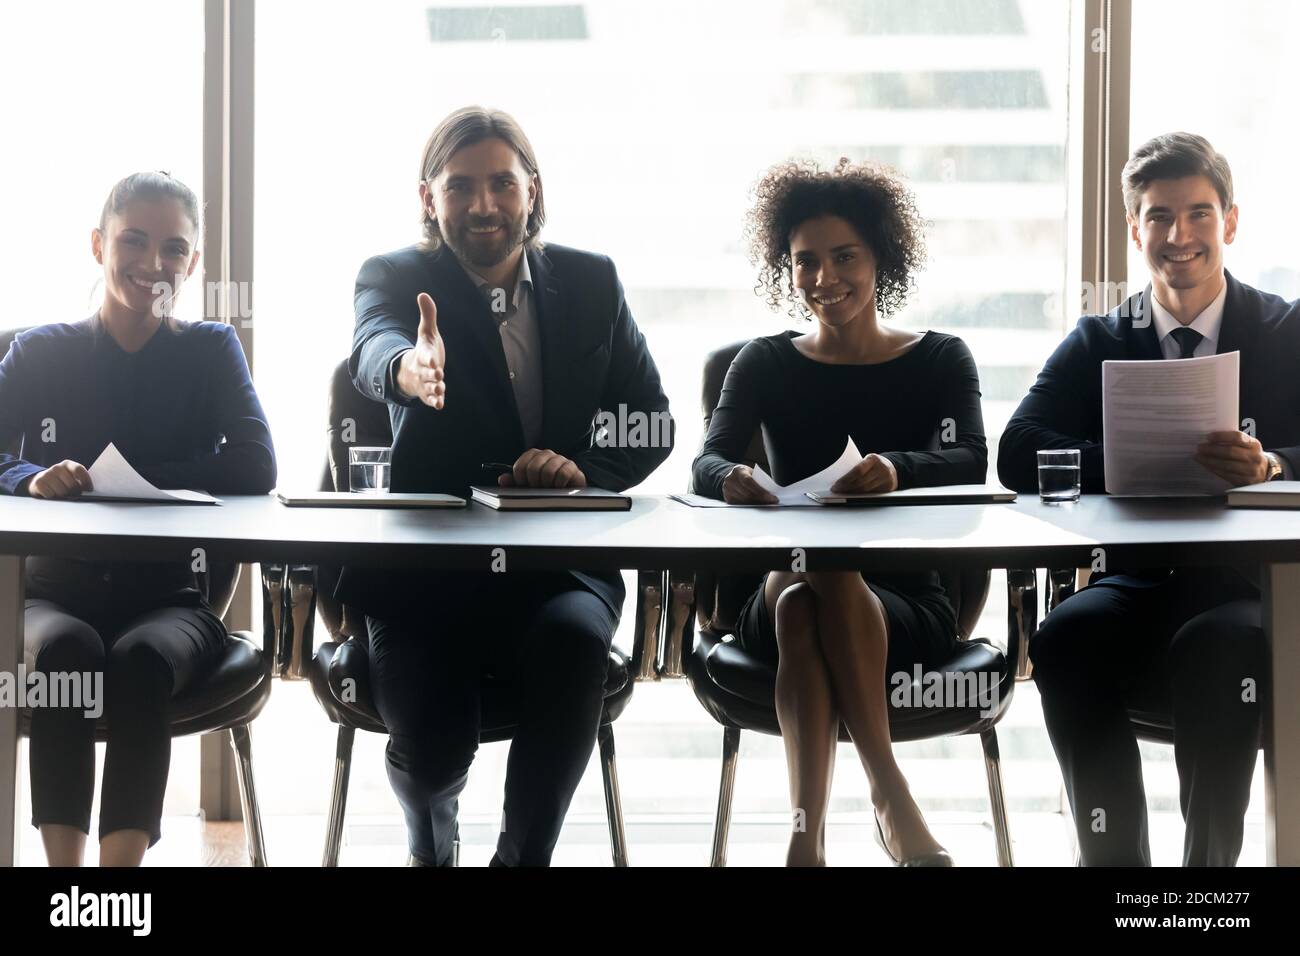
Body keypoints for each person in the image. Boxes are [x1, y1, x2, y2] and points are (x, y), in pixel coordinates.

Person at [334, 106, 672, 867]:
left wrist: (583, 468)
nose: (482, 205)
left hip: (558, 568)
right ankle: (432, 837)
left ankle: (522, 861)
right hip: (425, 573)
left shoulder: (591, 281)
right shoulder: (392, 277)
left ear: (532, 191)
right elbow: (373, 348)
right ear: (429, 199)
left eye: (500, 184)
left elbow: (650, 417)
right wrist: (409, 371)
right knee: (433, 751)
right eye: (460, 187)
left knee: (576, 643)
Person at [998, 132, 1300, 865]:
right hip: (1136, 579)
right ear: (1135, 229)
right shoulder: (1100, 336)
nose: (1179, 235)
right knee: (1065, 638)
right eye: (1159, 216)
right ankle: (1116, 868)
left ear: (1229, 222)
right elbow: (1015, 450)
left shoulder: (1286, 330)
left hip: (1250, 588)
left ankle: (1207, 881)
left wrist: (1269, 464)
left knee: (1218, 646)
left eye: (1198, 213)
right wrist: (1121, 463)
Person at [692, 158, 987, 866]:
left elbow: (973, 459)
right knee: (808, 573)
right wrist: (732, 474)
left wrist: (898, 468)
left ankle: (805, 839)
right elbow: (705, 464)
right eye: (806, 262)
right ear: (785, 268)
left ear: (882, 255)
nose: (825, 279)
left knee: (806, 599)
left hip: (907, 603)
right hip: (776, 582)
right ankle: (891, 799)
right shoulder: (762, 363)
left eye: (844, 256)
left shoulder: (942, 359)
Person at [0, 171, 277, 866]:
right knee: (66, 654)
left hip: (173, 602)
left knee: (141, 661)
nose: (153, 263)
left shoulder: (211, 349)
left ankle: (119, 885)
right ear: (98, 245)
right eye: (133, 240)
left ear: (194, 263)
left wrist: (140, 480)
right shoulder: (41, 351)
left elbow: (257, 464)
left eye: (173, 248)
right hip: (51, 595)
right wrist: (31, 478)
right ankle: (67, 883)